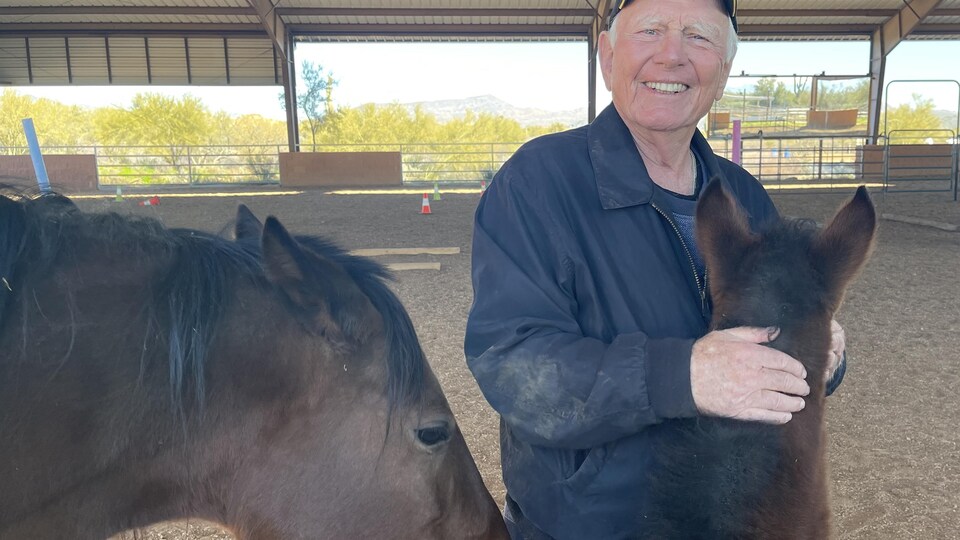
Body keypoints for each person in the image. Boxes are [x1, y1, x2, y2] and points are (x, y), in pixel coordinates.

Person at [464, 0, 848, 538]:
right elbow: (511, 362)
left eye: (699, 37)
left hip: (734, 517)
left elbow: (771, 359)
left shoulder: (745, 197)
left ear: (724, 69)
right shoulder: (537, 184)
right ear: (607, 55)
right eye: (651, 31)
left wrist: (820, 352)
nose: (672, 56)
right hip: (595, 526)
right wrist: (682, 375)